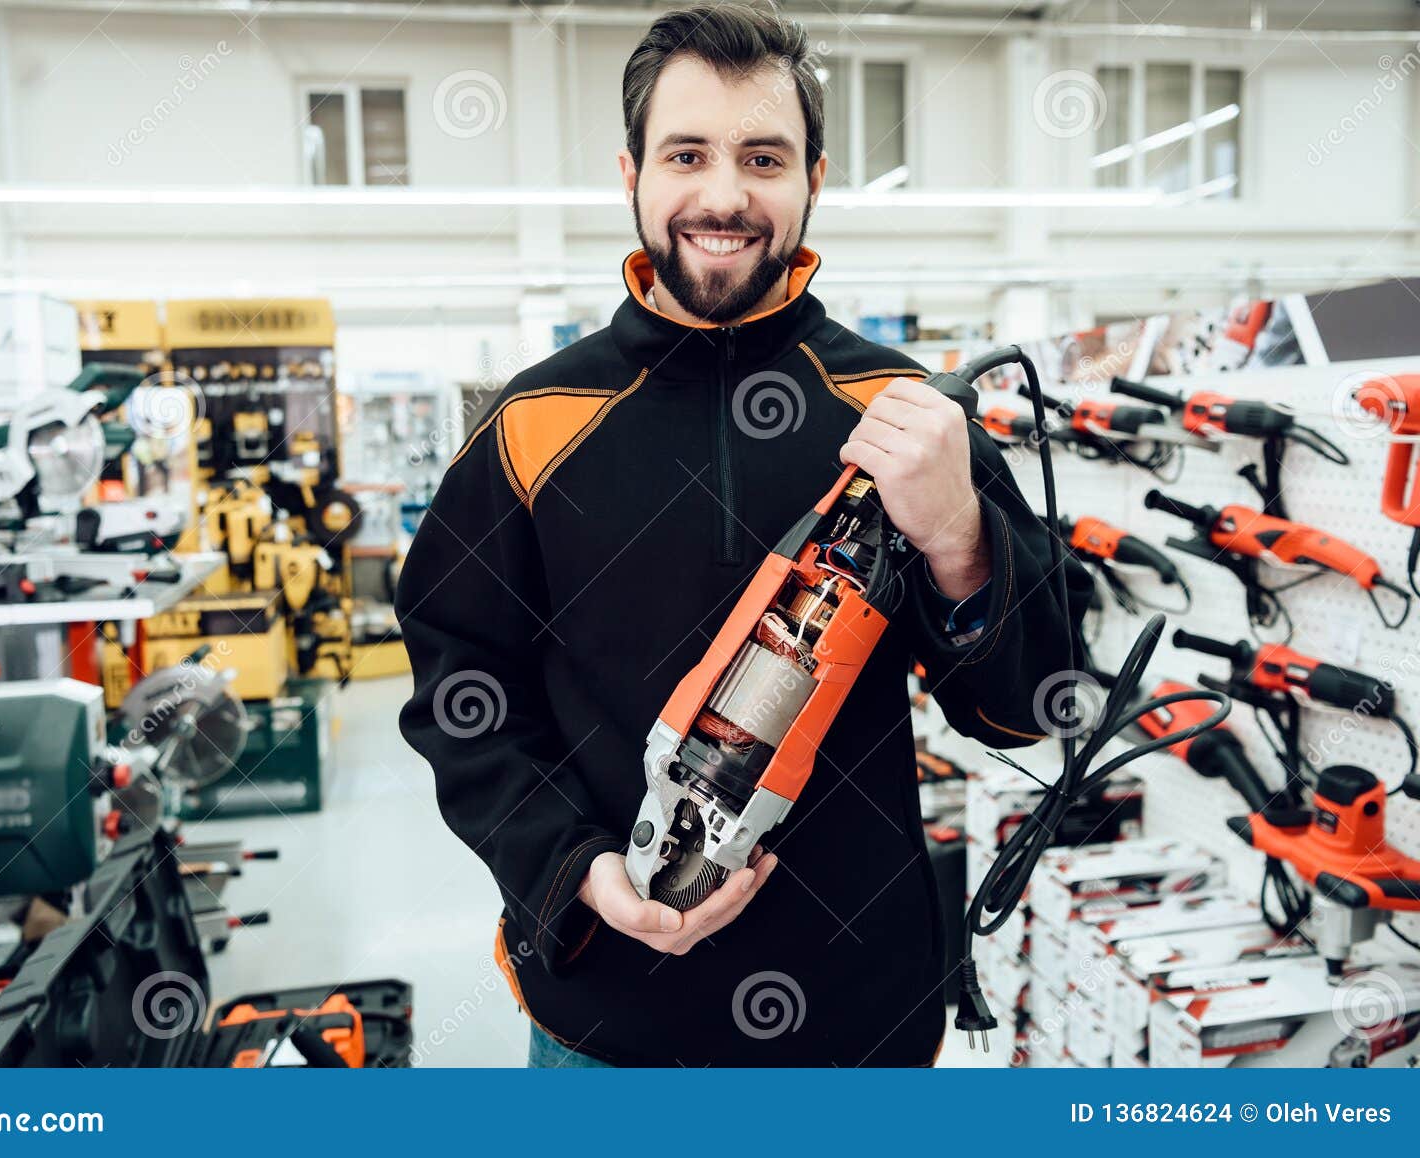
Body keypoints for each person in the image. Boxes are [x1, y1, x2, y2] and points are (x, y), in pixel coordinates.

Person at [396, 3, 1089, 1067]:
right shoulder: (532, 423)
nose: (723, 196)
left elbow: (1026, 709)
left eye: (763, 158)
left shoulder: (904, 415)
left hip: (859, 1025)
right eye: (687, 155)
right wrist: (576, 871)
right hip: (606, 1025)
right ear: (630, 173)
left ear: (815, 178)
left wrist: (960, 534)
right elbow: (461, 690)